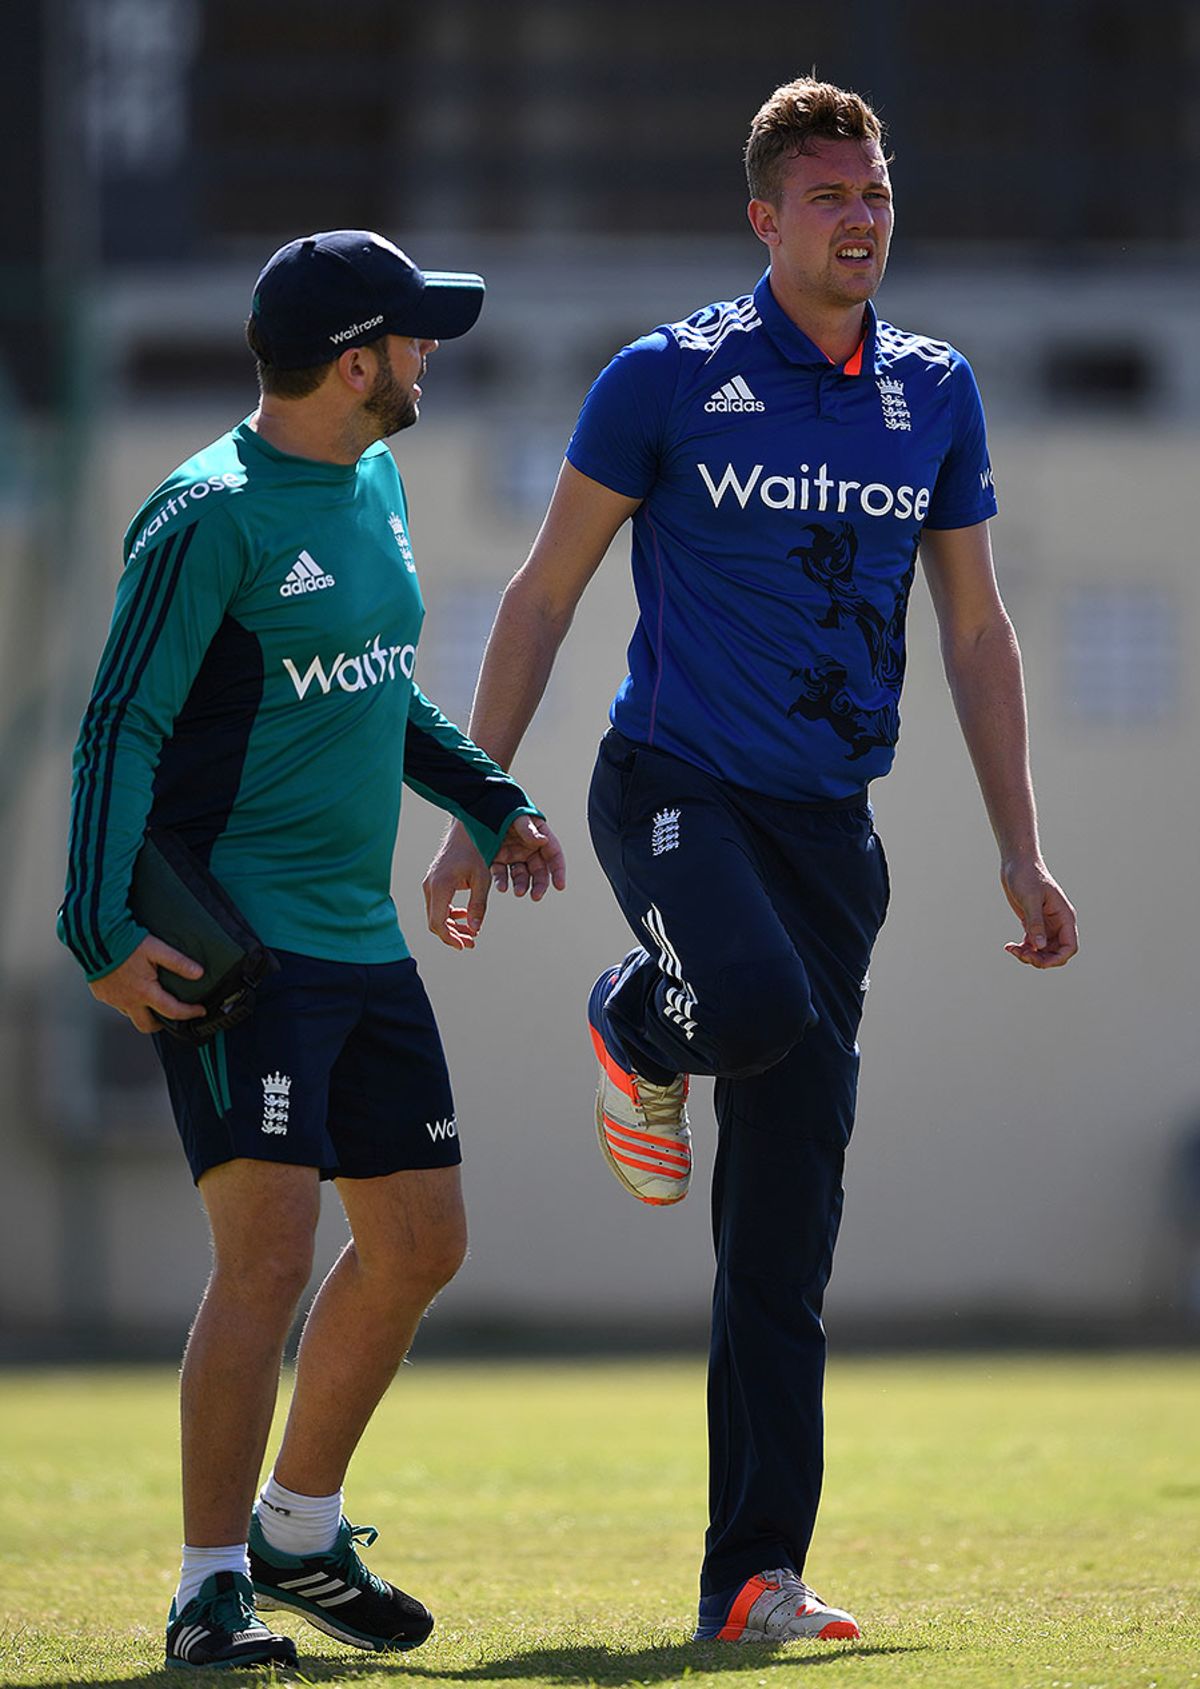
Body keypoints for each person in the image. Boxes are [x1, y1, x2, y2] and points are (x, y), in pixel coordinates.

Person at [424, 78, 1078, 1645]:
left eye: (878, 193)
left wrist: (1020, 848)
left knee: (783, 1233)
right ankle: (637, 1019)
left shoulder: (937, 393)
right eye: (831, 197)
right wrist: (471, 807)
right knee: (755, 1006)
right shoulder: (666, 378)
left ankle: (751, 1579)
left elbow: (977, 634)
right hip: (671, 786)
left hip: (830, 831)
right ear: (765, 219)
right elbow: (539, 597)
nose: (863, 220)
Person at [57, 229, 564, 1670]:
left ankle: (296, 1530)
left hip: (361, 933)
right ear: (357, 364)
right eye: (415, 336)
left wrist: (487, 794)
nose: (429, 355)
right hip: (244, 945)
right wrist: (96, 926)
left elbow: (373, 685)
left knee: (420, 1241)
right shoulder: (206, 514)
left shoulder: (377, 482)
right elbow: (119, 725)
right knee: (269, 1255)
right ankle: (208, 1585)